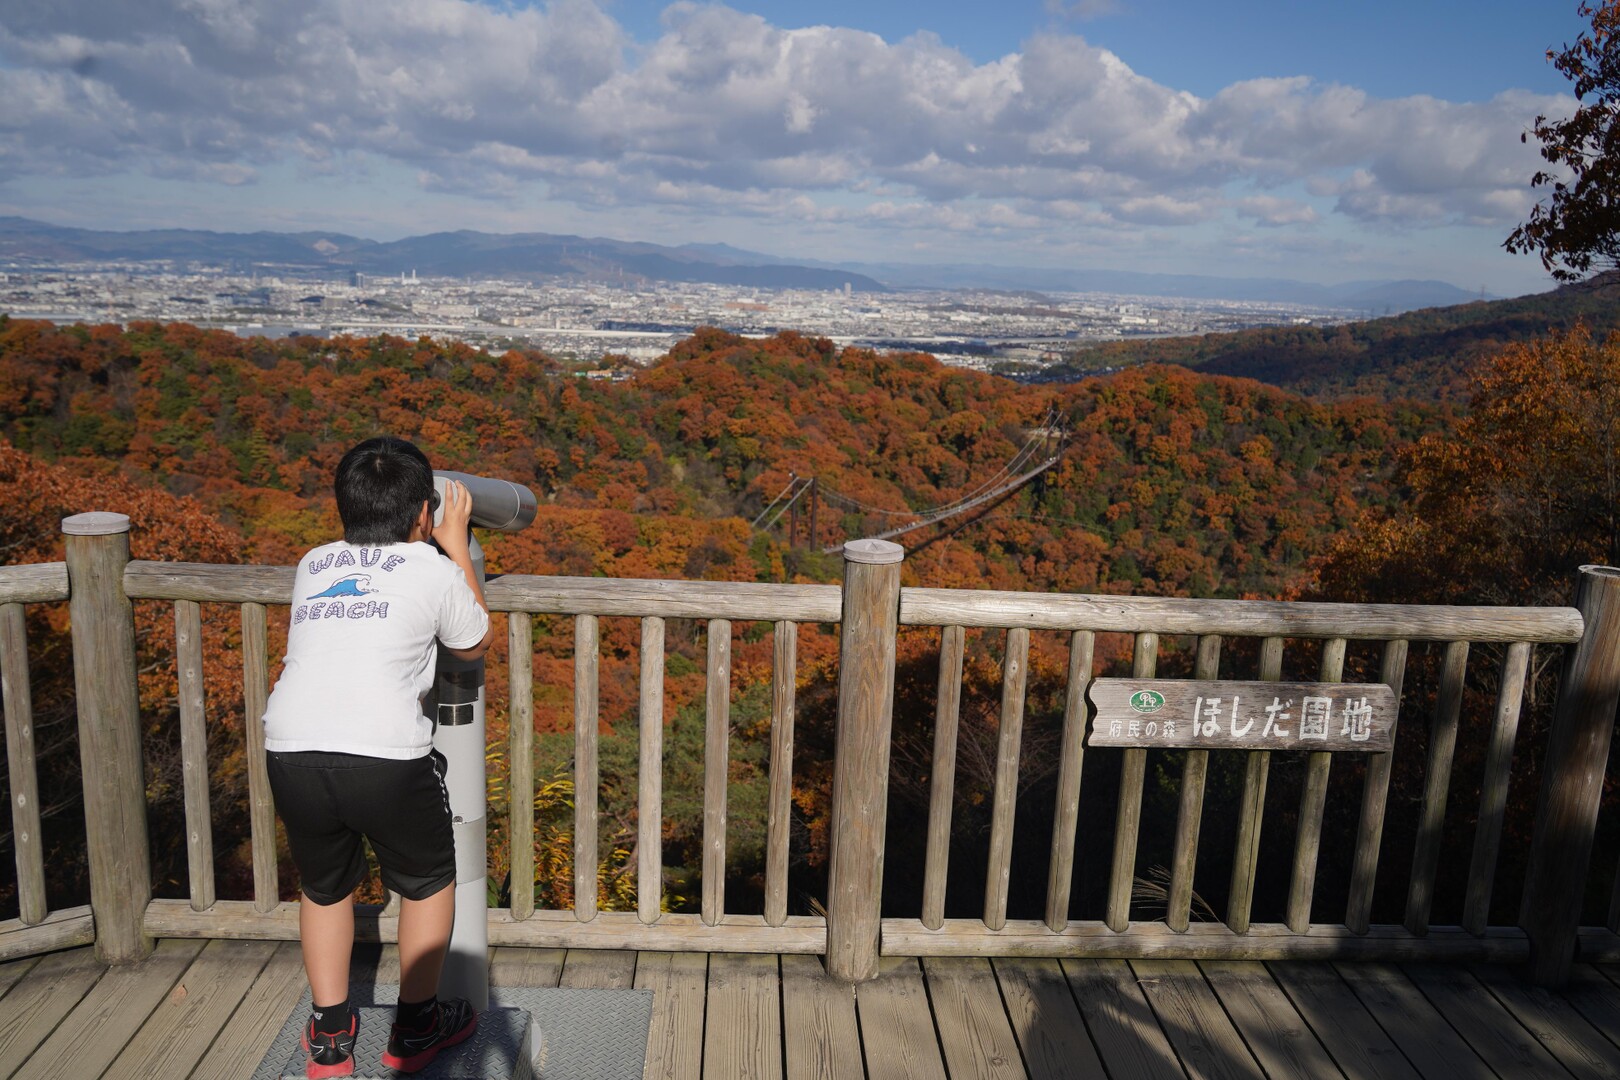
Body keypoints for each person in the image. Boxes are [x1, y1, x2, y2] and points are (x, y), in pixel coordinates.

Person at [261, 436, 494, 1078]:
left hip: (290, 745)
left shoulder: (313, 563)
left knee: (325, 888)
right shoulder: (433, 568)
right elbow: (472, 642)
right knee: (428, 882)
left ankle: (331, 1041)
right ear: (422, 512)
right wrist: (454, 546)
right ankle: (417, 1028)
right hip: (386, 753)